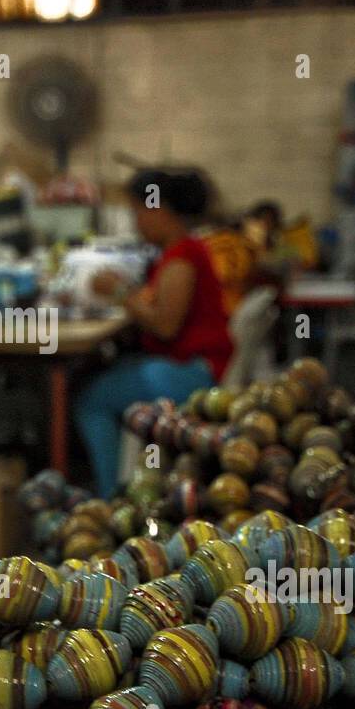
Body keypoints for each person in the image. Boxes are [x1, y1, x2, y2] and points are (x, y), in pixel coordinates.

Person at [77, 168, 233, 498]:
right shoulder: (180, 252)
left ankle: (109, 496)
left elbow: (165, 324)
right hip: (190, 363)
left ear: (157, 209)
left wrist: (118, 292)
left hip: (195, 372)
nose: (136, 223)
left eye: (137, 212)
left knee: (91, 399)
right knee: (100, 372)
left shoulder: (183, 256)